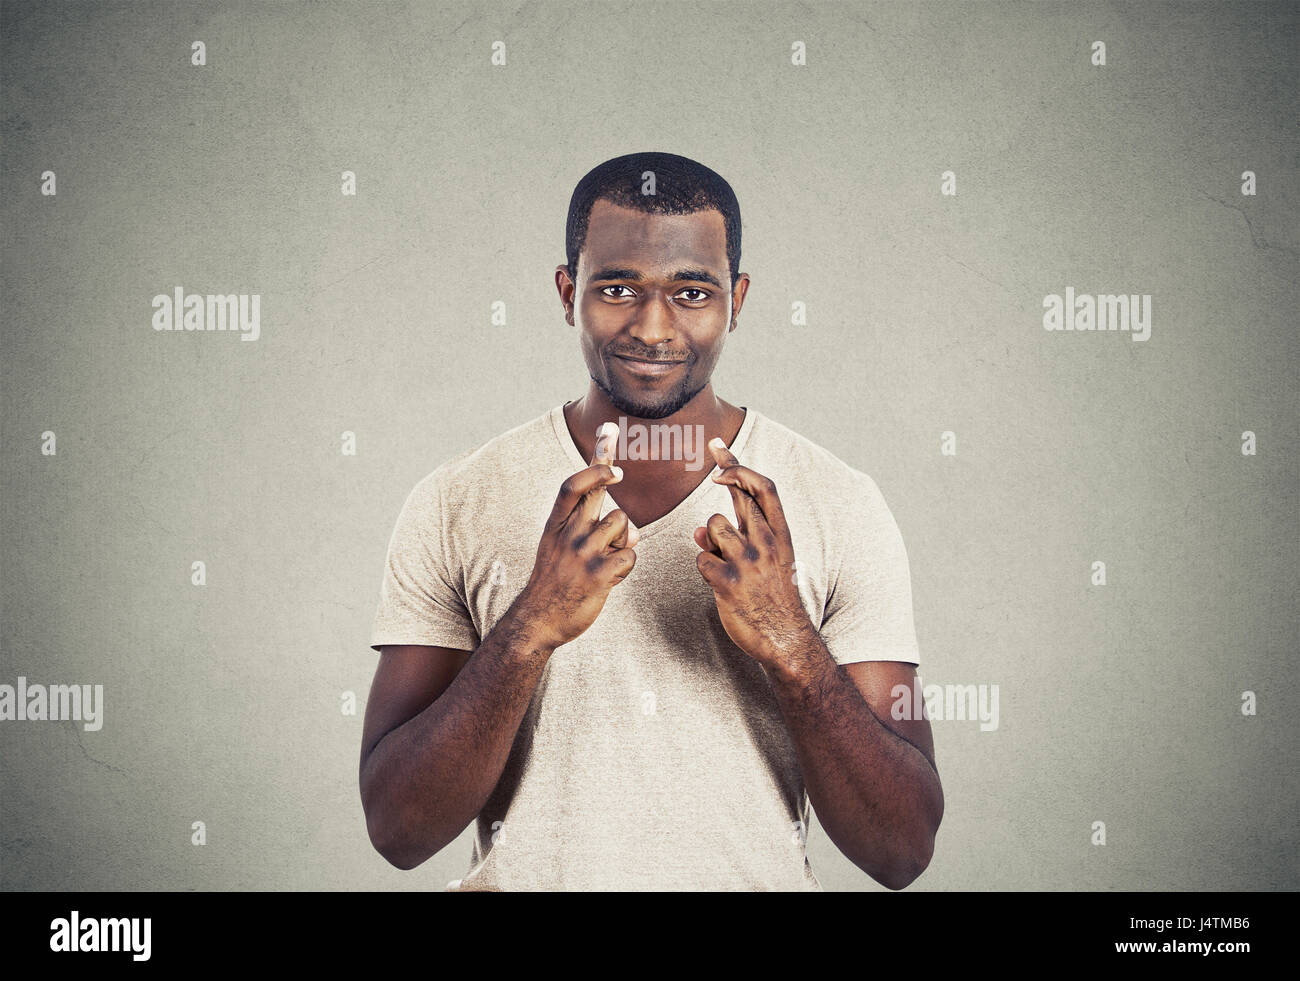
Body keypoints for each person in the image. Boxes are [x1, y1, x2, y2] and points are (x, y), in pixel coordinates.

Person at [359, 151, 943, 890]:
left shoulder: (842, 501)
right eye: (617, 287)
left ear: (739, 298)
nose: (654, 326)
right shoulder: (454, 500)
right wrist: (532, 622)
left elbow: (903, 849)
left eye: (692, 292)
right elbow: (398, 829)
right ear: (569, 293)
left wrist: (791, 641)